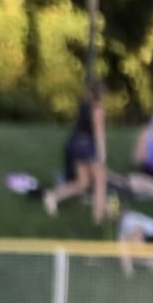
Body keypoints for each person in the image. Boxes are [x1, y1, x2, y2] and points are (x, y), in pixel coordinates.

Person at [44, 81, 108, 224]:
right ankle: (98, 218)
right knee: (100, 182)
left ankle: (53, 196)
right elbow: (99, 134)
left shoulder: (84, 105)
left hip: (75, 144)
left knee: (83, 183)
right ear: (102, 94)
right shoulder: (98, 110)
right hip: (87, 147)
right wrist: (102, 155)